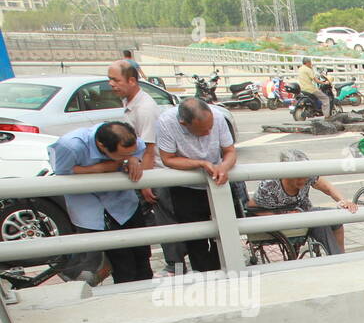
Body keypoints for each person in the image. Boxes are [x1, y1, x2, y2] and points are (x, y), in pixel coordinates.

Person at [48, 121, 151, 284]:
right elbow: (62, 172)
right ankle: (127, 299)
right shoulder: (71, 146)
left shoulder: (126, 138)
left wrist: (133, 159)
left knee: (143, 253)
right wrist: (100, 168)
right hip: (94, 208)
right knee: (122, 261)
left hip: (125, 203)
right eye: (121, 156)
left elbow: (139, 150)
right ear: (101, 146)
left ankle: (147, 292)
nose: (124, 159)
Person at [155, 97, 237, 273]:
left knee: (225, 234)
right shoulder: (166, 122)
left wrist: (223, 167)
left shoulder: (218, 116)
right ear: (184, 124)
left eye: (210, 127)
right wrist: (200, 164)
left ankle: (223, 272)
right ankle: (203, 275)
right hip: (186, 188)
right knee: (195, 240)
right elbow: (168, 159)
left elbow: (230, 151)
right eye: (202, 130)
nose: (209, 133)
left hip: (218, 184)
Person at [108, 59, 159, 207]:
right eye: (109, 79)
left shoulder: (144, 109)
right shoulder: (128, 100)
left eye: (116, 80)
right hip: (138, 172)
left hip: (149, 175)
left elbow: (149, 150)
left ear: (132, 81)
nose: (111, 84)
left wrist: (145, 184)